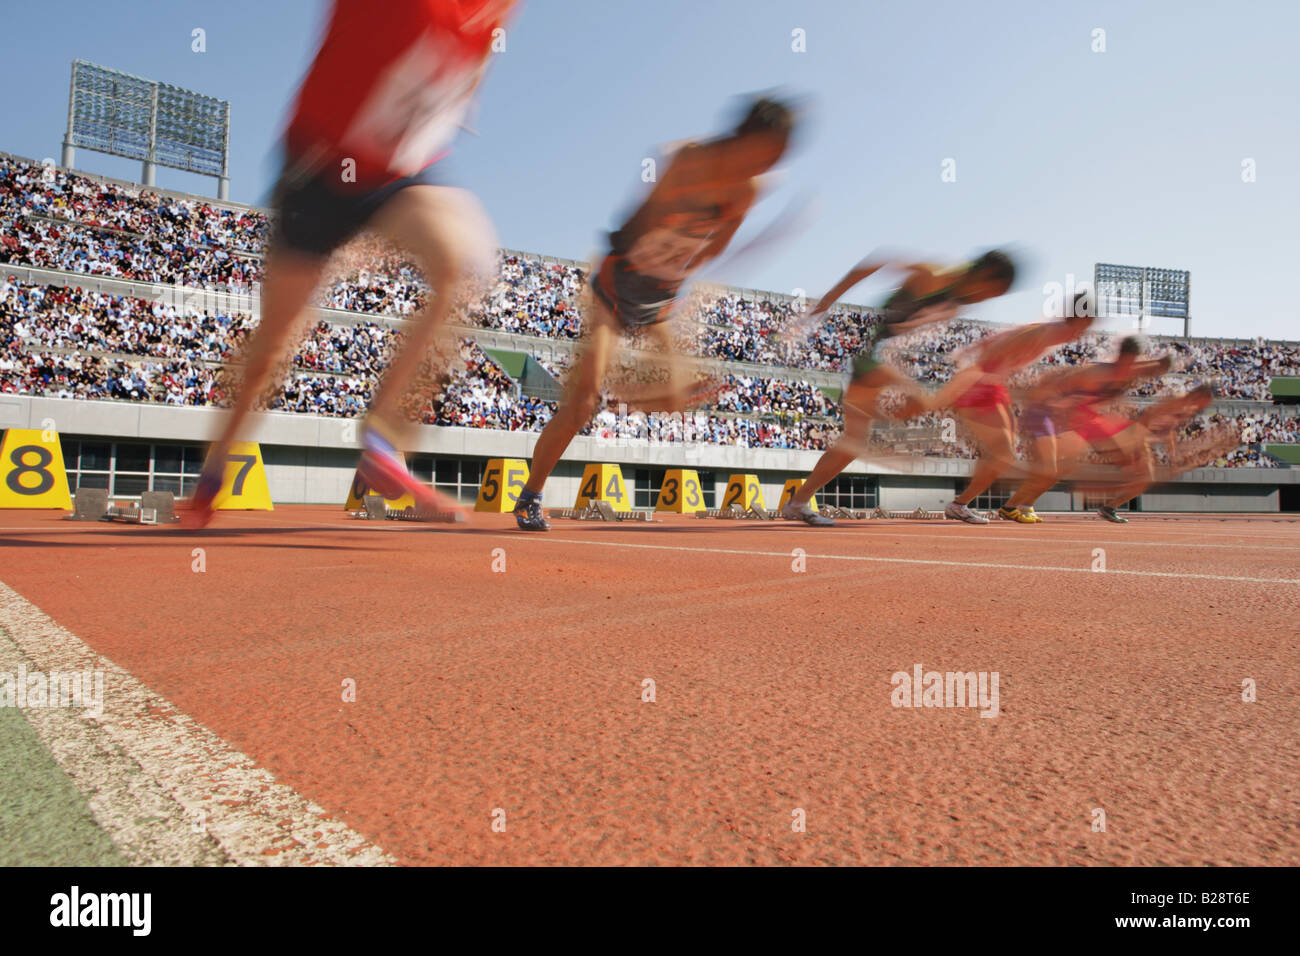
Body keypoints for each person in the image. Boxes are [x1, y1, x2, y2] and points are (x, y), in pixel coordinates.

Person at [186, 0, 516, 528]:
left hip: (402, 170)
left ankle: (382, 441)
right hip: (320, 167)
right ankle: (215, 469)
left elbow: (474, 64)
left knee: (468, 264)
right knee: (275, 343)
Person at [512, 96, 798, 531]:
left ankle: (631, 392)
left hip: (661, 296)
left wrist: (688, 261)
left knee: (681, 391)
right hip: (618, 281)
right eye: (769, 152)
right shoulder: (687, 159)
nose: (769, 164)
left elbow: (720, 243)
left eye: (777, 157)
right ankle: (530, 495)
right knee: (581, 402)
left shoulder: (747, 191)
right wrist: (673, 239)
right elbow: (638, 221)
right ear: (748, 139)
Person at [779, 249, 1017, 526]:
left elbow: (914, 329)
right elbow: (876, 262)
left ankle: (797, 503)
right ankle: (893, 436)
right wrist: (828, 300)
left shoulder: (959, 302)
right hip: (873, 351)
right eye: (991, 292)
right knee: (920, 398)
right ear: (984, 276)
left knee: (852, 444)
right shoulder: (934, 275)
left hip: (886, 358)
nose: (985, 299)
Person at [916, 294, 1094, 524]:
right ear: (1079, 319)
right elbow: (1006, 343)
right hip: (982, 385)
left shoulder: (1047, 332)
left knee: (1001, 455)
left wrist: (981, 360)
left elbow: (1003, 339)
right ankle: (959, 505)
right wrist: (979, 372)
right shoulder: (1045, 332)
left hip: (991, 386)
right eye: (1085, 325)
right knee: (1002, 455)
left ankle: (963, 504)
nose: (1083, 333)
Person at [1001, 337, 1173, 523]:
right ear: (1121, 357)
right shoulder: (1096, 372)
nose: (1129, 366)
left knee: (1064, 468)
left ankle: (1024, 505)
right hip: (1063, 415)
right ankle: (1012, 506)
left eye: (1132, 362)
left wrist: (1164, 363)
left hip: (1086, 417)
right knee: (1055, 468)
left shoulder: (1129, 370)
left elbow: (1149, 367)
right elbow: (1057, 387)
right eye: (1126, 361)